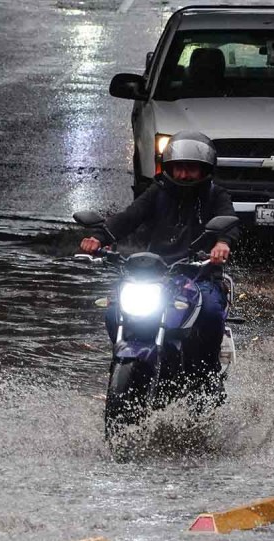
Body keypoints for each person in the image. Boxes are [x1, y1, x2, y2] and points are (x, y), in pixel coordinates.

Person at [79, 130, 239, 381]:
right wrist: (99, 237)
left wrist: (222, 243)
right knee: (114, 310)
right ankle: (124, 357)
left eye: (191, 169)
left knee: (209, 312)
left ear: (205, 170)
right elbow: (129, 217)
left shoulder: (215, 195)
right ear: (169, 168)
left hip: (199, 274)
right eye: (178, 168)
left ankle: (208, 376)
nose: (183, 175)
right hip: (156, 274)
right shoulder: (158, 192)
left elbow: (229, 223)